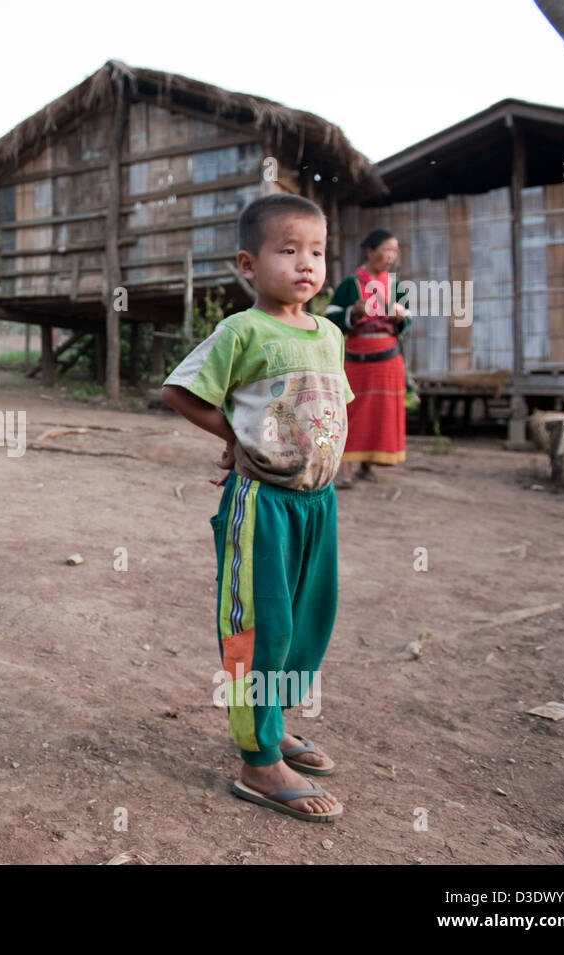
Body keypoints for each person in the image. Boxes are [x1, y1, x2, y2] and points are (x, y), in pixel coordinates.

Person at [160, 193, 352, 823]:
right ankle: (259, 759)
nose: (307, 264)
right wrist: (236, 440)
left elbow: (324, 410)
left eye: (317, 252)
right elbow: (180, 392)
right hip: (261, 505)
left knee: (306, 621)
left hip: (317, 504)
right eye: (289, 249)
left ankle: (276, 723)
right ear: (249, 263)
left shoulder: (328, 333)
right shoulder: (242, 331)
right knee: (260, 626)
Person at [325, 229, 411, 487]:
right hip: (356, 359)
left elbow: (408, 322)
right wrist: (353, 311)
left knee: (380, 413)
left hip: (389, 360)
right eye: (386, 250)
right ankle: (344, 468)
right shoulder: (349, 285)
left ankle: (367, 463)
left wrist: (400, 318)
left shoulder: (396, 287)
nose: (391, 256)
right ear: (370, 251)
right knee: (351, 409)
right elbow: (331, 318)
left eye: (395, 251)